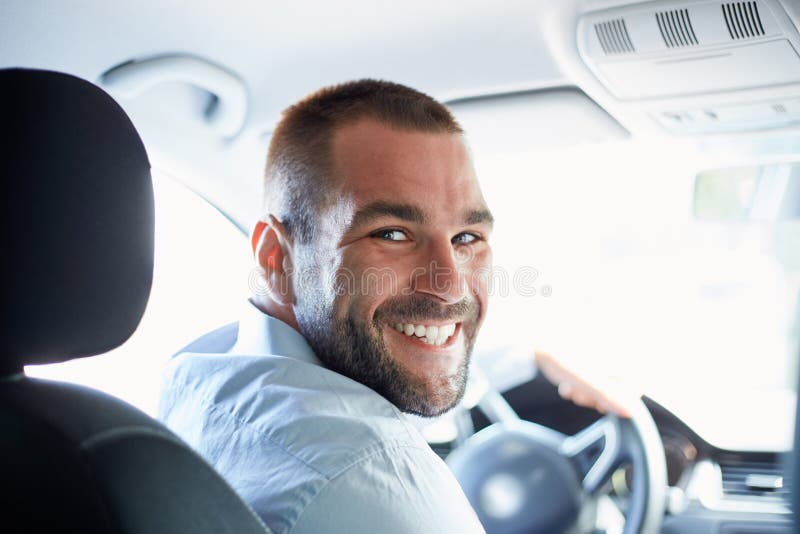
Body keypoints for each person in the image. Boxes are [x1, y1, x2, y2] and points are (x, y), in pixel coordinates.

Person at [159, 79, 632, 533]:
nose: (450, 286)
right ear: (277, 257)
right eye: (392, 234)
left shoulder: (205, 373)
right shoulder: (373, 482)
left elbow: (373, 350)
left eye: (467, 238)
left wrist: (531, 357)